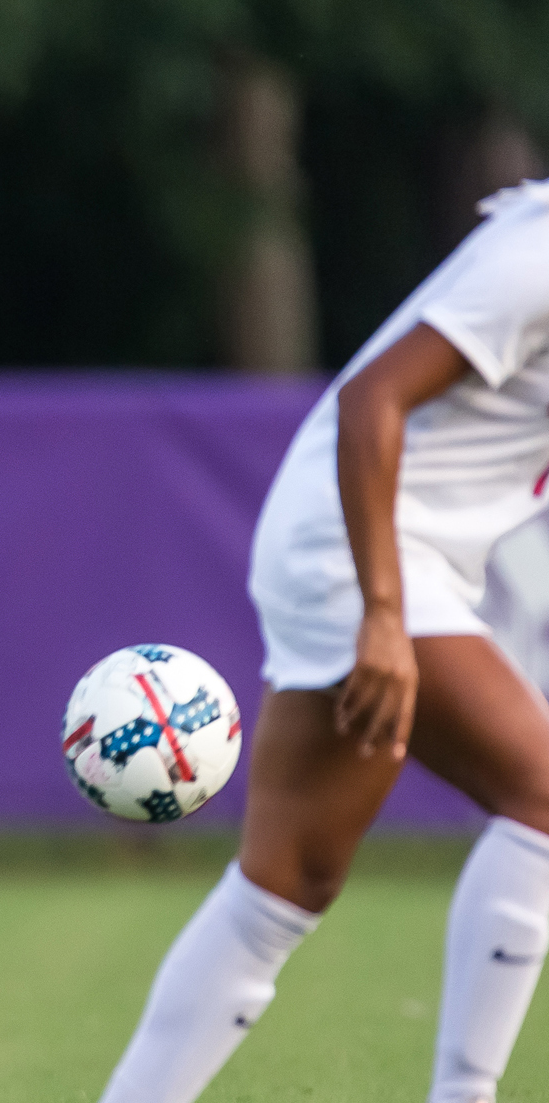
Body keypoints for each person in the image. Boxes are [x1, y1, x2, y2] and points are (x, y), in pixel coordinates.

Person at [96, 178, 549, 1103]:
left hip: (375, 548)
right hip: (366, 549)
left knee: (286, 883)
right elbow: (371, 402)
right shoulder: (536, 264)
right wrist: (383, 613)